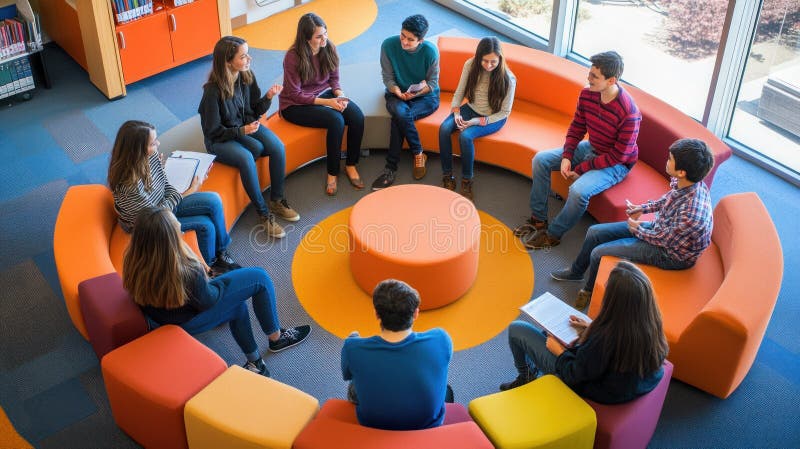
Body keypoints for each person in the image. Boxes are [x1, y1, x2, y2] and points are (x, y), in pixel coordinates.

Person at [123, 207, 311, 377]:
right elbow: (209, 300)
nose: (181, 228)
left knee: (237, 303)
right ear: (169, 241)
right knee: (259, 279)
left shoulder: (134, 259)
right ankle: (276, 338)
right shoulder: (187, 271)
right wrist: (217, 279)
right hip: (186, 319)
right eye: (177, 228)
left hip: (166, 315)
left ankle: (256, 362)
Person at [550, 138, 715, 310]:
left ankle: (589, 290)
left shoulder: (690, 215)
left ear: (681, 172)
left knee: (598, 253)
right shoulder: (688, 182)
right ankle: (576, 272)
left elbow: (662, 240)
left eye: (670, 159)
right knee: (594, 232)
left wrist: (636, 229)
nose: (666, 161)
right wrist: (642, 208)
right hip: (664, 229)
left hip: (669, 254)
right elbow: (668, 200)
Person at [514, 51, 641, 249]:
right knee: (541, 160)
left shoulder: (629, 113)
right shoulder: (587, 94)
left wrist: (581, 169)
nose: (588, 79)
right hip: (592, 146)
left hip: (617, 163)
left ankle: (553, 234)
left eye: (594, 76)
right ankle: (538, 219)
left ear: (611, 80)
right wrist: (567, 155)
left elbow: (619, 155)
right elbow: (577, 127)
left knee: (578, 191)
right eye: (589, 73)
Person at [500, 261, 668, 405]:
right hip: (632, 383)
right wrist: (590, 328)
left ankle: (526, 376)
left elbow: (574, 374)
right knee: (549, 332)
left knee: (517, 329)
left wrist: (560, 352)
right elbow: (613, 347)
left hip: (599, 391)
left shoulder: (603, 338)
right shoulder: (649, 321)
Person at [108, 120, 239, 276]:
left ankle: (221, 252)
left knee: (214, 200)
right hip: (151, 226)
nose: (158, 144)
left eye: (156, 139)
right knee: (206, 226)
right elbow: (155, 217)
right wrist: (189, 191)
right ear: (138, 150)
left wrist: (184, 190)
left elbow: (165, 184)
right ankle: (210, 267)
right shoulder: (129, 187)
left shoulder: (151, 156)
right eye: (153, 143)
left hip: (163, 205)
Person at [199, 36, 298, 239]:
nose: (249, 59)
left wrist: (268, 98)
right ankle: (263, 213)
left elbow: (252, 111)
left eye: (247, 54)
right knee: (246, 158)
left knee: (277, 147)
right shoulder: (211, 92)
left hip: (243, 127)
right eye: (243, 56)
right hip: (219, 139)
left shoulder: (246, 76)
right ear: (228, 62)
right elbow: (213, 131)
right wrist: (242, 131)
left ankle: (277, 200)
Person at [341, 279, 453, 430]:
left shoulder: (352, 348)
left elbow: (347, 375)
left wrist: (353, 338)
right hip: (427, 424)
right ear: (416, 314)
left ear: (376, 314)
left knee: (354, 383)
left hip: (373, 423)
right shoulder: (441, 339)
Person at [280, 13, 365, 196]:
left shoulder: (329, 47)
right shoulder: (292, 57)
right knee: (336, 120)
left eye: (325, 33)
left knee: (357, 116)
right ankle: (332, 173)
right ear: (306, 38)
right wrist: (329, 103)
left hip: (323, 94)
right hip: (294, 105)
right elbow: (295, 94)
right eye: (319, 36)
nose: (324, 38)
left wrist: (340, 96)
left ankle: (351, 164)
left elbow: (334, 79)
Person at [438, 36, 515, 201]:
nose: (488, 65)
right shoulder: (470, 64)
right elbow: (459, 92)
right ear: (479, 56)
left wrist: (476, 122)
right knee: (444, 129)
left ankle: (467, 180)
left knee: (465, 136)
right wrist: (457, 112)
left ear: (500, 59)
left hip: (494, 117)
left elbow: (504, 112)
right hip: (470, 108)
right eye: (485, 61)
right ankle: (447, 174)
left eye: (493, 62)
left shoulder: (509, 78)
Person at [371, 14, 440, 190]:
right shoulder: (388, 45)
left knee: (399, 118)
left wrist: (416, 94)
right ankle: (418, 153)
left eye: (410, 39)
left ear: (421, 40)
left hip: (426, 97)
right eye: (403, 35)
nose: (404, 41)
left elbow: (432, 84)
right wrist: (396, 91)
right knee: (401, 113)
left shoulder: (430, 51)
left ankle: (390, 169)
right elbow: (387, 77)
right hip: (396, 93)